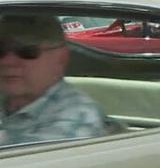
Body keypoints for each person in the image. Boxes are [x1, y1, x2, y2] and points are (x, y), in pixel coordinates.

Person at [1, 14, 107, 148]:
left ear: (61, 58)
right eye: (1, 50)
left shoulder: (77, 117)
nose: (7, 61)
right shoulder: (7, 100)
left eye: (28, 51)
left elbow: (25, 166)